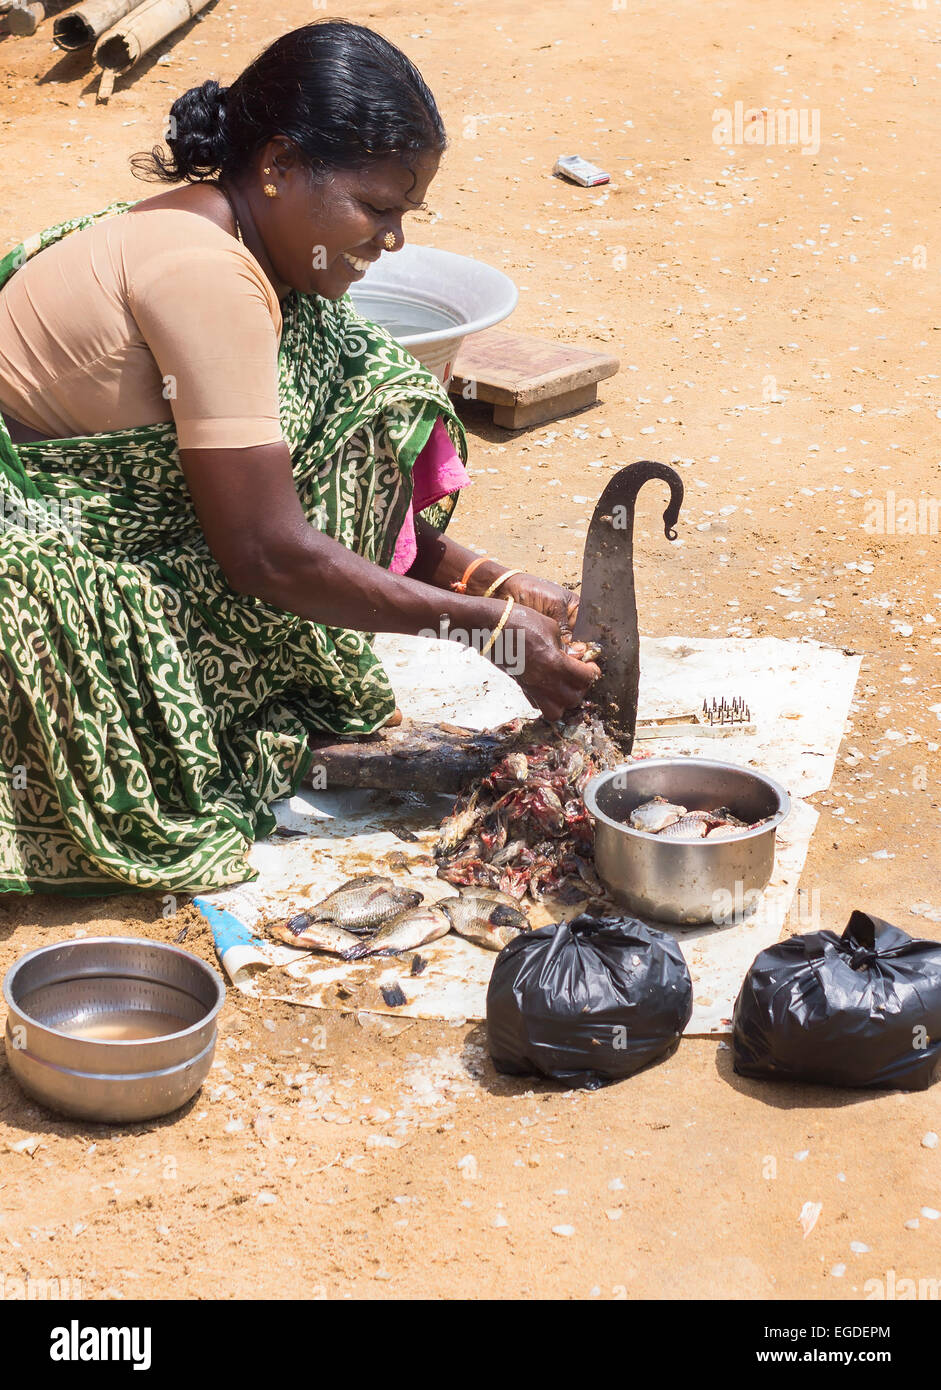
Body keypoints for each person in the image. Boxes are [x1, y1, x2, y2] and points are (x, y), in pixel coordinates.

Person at [0, 20, 597, 896]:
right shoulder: (205, 276)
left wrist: (490, 582)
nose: (391, 239)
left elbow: (303, 488)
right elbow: (266, 552)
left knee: (361, 384)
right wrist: (489, 638)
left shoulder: (241, 242)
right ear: (277, 165)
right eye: (376, 207)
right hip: (33, 546)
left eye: (405, 213)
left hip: (156, 512)